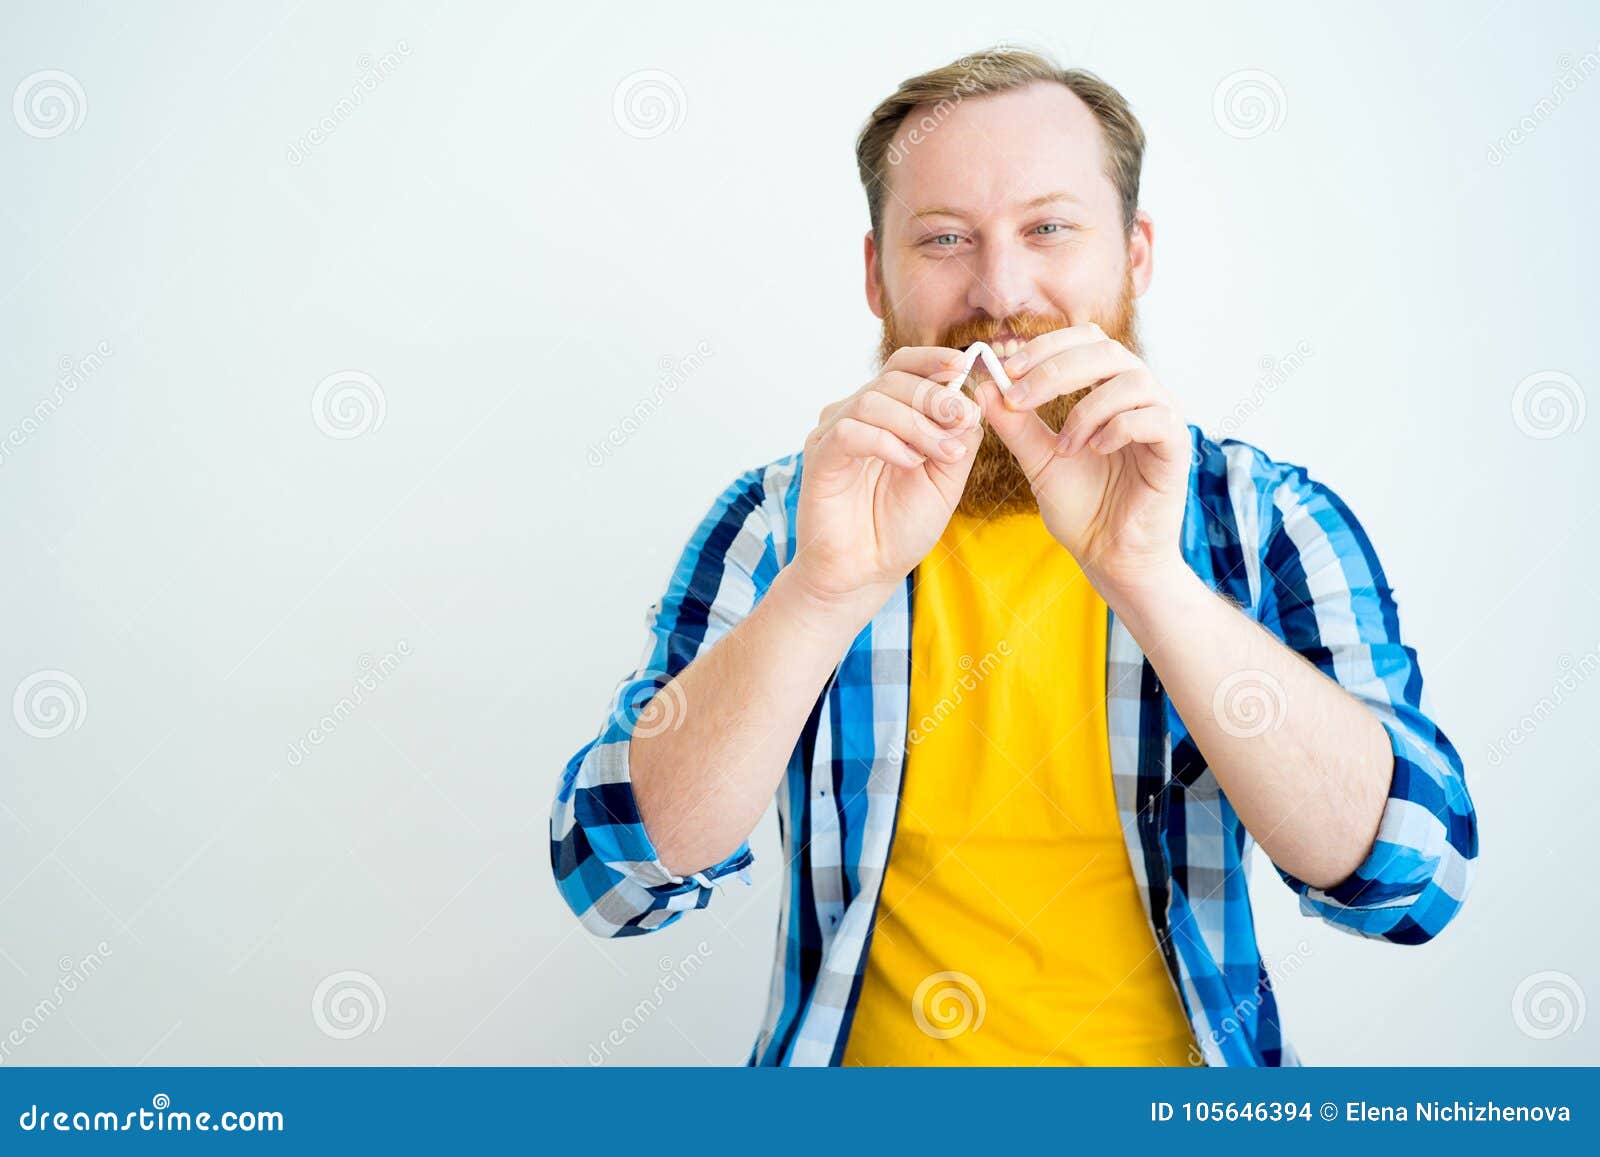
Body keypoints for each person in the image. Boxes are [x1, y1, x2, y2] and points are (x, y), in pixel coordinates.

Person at [550, 47, 1478, 1067]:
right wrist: (821, 591)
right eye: (945, 237)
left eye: (1049, 228)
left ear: (1135, 254)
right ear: (876, 275)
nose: (1000, 290)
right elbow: (611, 876)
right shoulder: (781, 523)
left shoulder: (1267, 521)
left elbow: (1412, 882)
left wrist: (1150, 578)